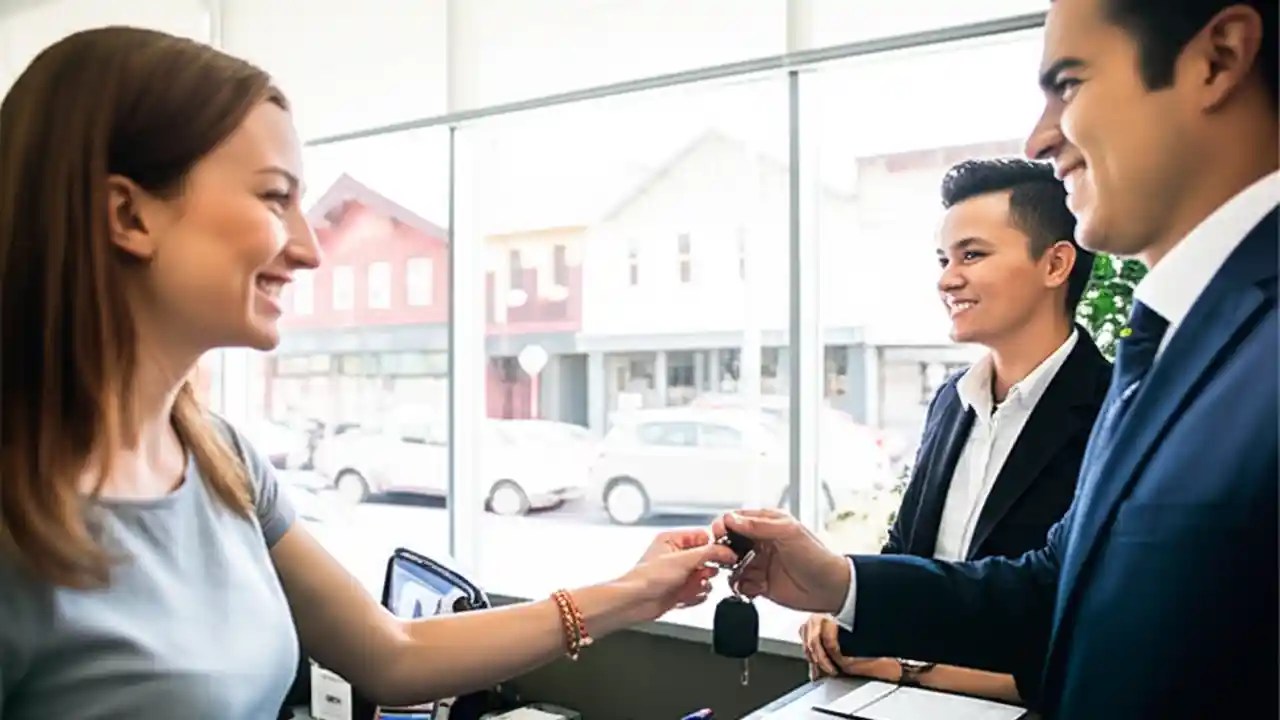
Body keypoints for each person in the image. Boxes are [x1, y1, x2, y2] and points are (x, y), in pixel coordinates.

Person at [0, 27, 739, 718]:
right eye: (274, 197)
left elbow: (392, 654)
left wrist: (633, 593)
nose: (308, 248)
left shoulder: (220, 459)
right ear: (129, 216)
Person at [716, 0, 1277, 716]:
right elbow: (1052, 590)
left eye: (1069, 83)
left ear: (1218, 59)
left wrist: (910, 666)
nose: (1041, 136)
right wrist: (841, 582)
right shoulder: (1172, 343)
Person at [800, 158, 1110, 704]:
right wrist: (849, 605)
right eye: (944, 260)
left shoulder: (1115, 410)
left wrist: (909, 667)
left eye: (972, 255)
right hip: (902, 702)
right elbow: (908, 546)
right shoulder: (951, 399)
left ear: (1056, 264)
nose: (947, 279)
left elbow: (1085, 624)